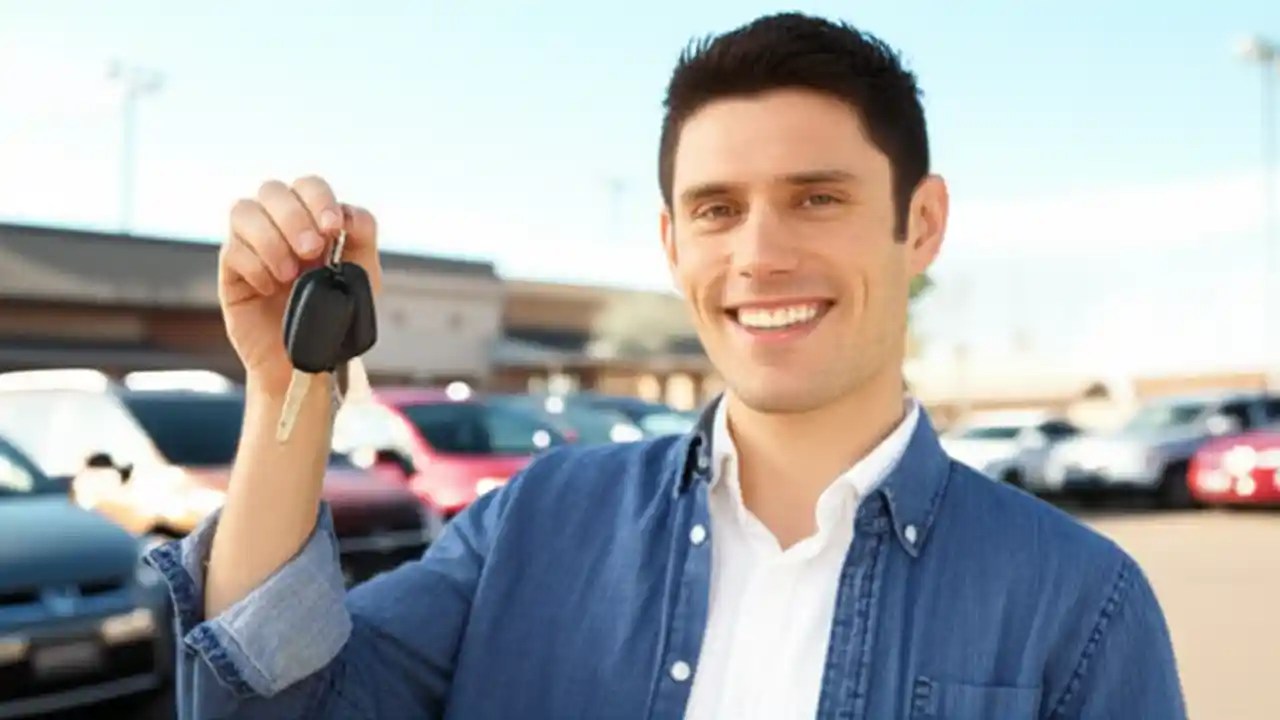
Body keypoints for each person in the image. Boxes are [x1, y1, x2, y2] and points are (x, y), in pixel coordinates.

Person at [145, 12, 1186, 720]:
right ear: (670, 243)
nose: (757, 253)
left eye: (816, 198)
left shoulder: (1077, 604)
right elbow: (277, 699)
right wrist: (288, 392)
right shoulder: (535, 526)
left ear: (920, 225)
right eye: (716, 209)